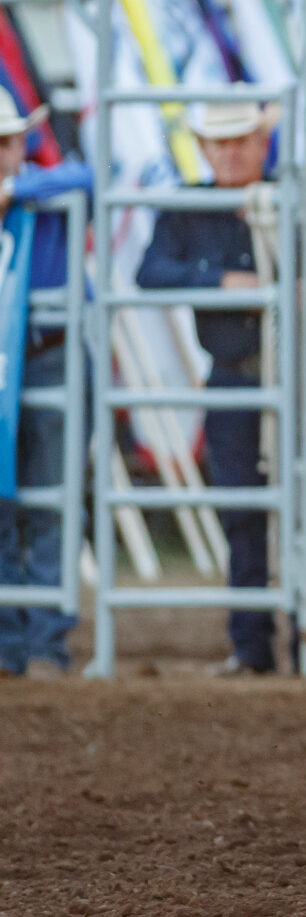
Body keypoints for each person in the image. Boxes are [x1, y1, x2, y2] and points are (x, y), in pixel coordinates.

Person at [136, 101, 283, 675]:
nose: (228, 152)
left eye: (240, 140)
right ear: (202, 149)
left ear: (259, 144)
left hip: (294, 376)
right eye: (219, 143)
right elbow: (149, 272)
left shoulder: (293, 201)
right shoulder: (188, 206)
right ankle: (253, 645)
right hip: (232, 376)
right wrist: (221, 281)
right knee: (241, 508)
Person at [0, 90, 90, 679]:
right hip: (22, 359)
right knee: (12, 506)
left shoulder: (43, 186)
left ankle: (44, 642)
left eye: (5, 142)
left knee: (51, 500)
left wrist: (17, 191)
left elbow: (86, 178)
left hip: (48, 356)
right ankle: (13, 641)